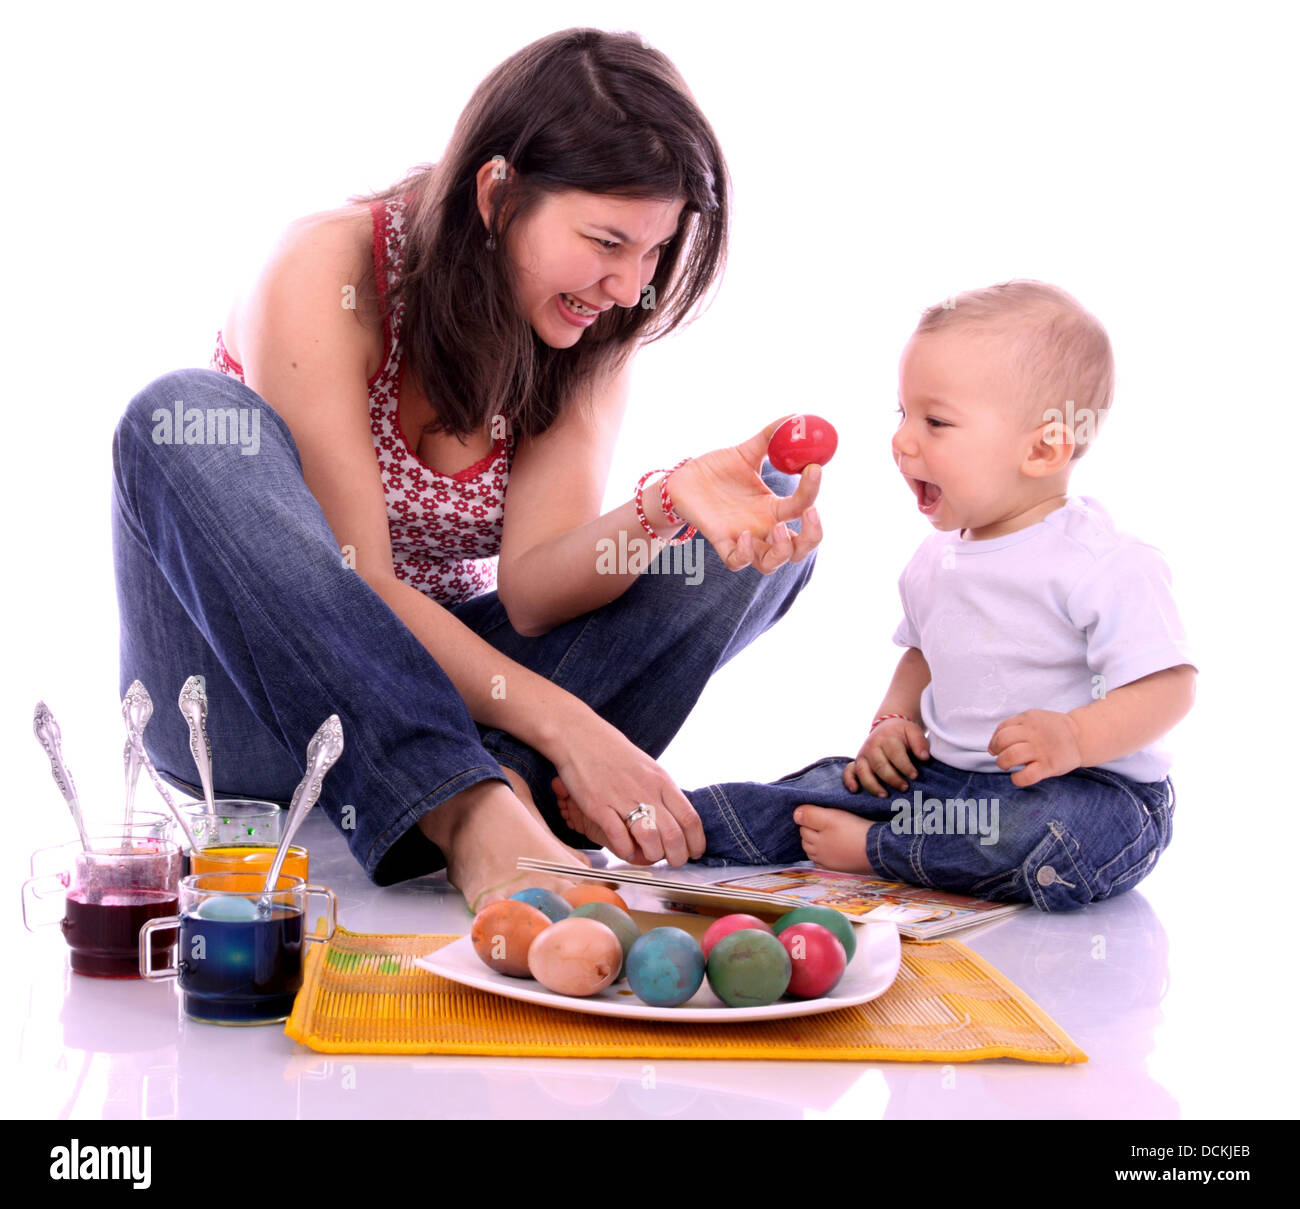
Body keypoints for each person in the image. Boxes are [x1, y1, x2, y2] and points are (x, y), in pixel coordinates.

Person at [110, 28, 823, 913]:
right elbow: (356, 581)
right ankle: (471, 805)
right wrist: (572, 725)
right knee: (179, 417)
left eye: (651, 252)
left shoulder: (589, 324)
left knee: (756, 528)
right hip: (256, 698)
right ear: (497, 193)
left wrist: (666, 507)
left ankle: (482, 786)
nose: (629, 287)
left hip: (457, 686)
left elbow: (532, 593)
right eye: (606, 241)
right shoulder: (328, 270)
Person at [557, 280, 1197, 911]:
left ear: (1044, 447)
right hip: (948, 782)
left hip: (1092, 789)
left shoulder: (1105, 560)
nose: (902, 441)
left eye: (936, 422)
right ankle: (651, 825)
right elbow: (922, 658)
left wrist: (1076, 739)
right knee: (816, 792)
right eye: (903, 414)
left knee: (1048, 830)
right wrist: (895, 722)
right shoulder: (936, 558)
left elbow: (1168, 687)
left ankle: (881, 849)